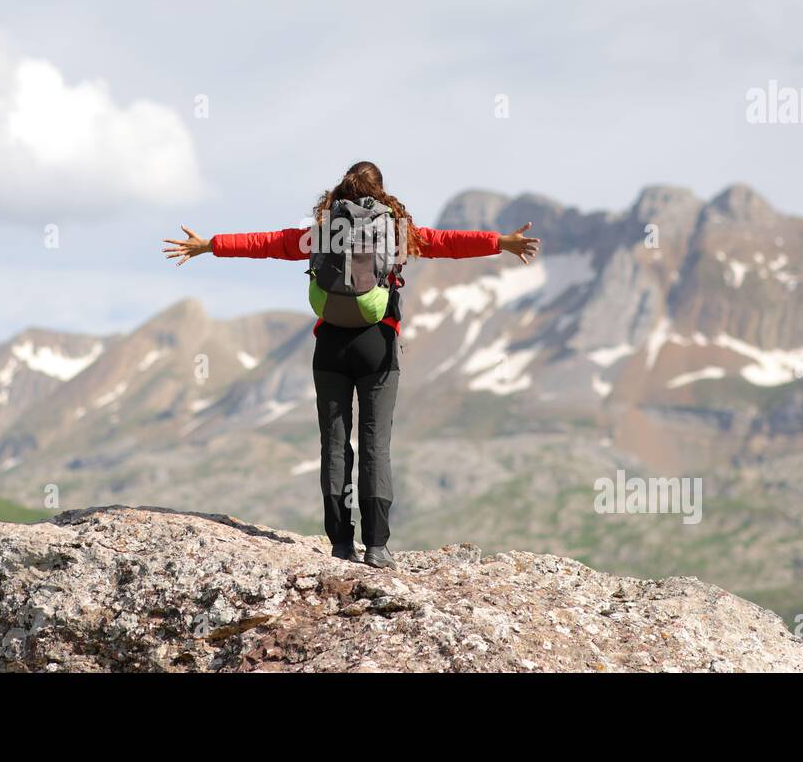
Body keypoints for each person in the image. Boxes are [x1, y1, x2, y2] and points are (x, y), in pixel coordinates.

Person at [163, 161, 539, 569]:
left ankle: (342, 544)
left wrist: (209, 244)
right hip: (376, 345)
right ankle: (377, 547)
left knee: (335, 445)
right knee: (376, 445)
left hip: (330, 348)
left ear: (341, 189)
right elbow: (446, 242)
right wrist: (500, 242)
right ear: (381, 193)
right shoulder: (395, 230)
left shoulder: (321, 231)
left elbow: (268, 242)